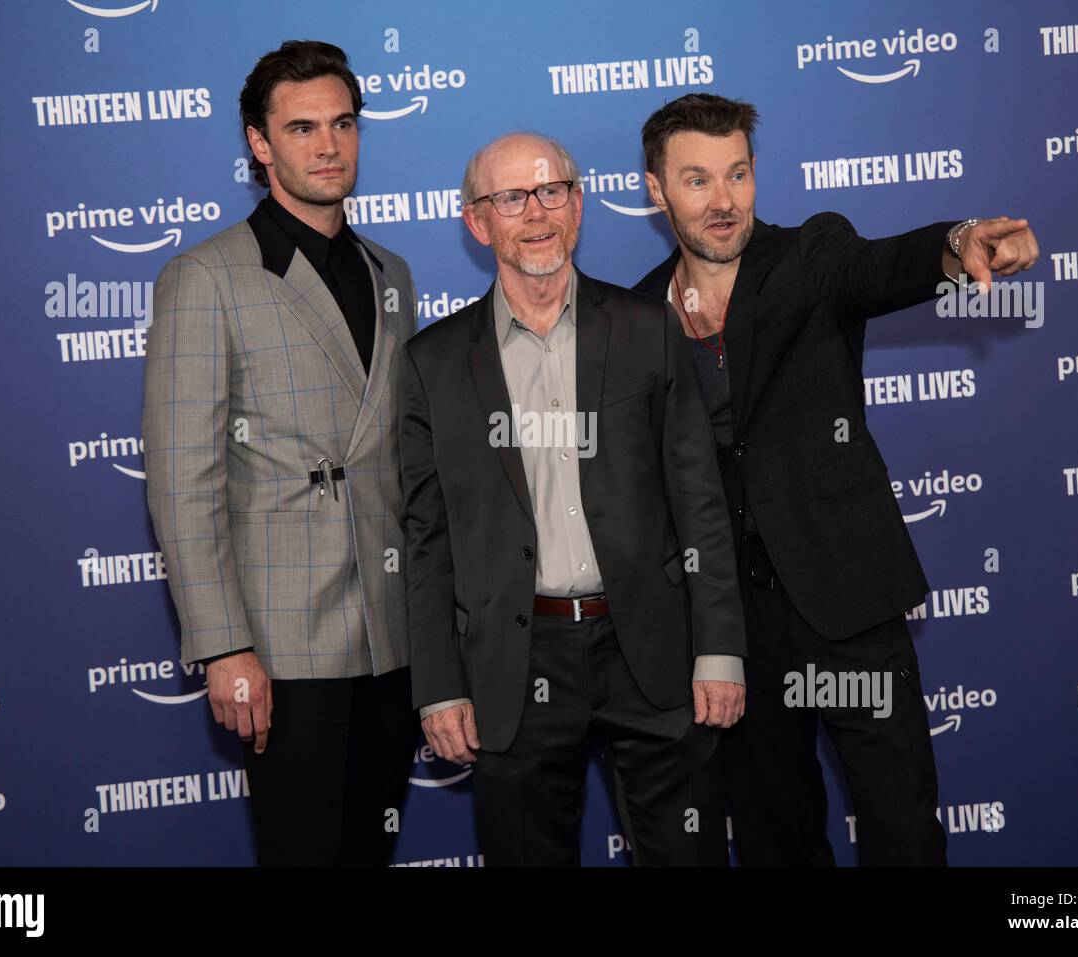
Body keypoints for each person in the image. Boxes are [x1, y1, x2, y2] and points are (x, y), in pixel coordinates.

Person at [632, 93, 1039, 866]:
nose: (724, 201)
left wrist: (958, 243)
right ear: (656, 190)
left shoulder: (810, 257)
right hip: (733, 628)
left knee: (900, 826)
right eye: (696, 181)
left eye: (738, 174)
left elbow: (886, 265)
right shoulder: (639, 314)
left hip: (847, 599)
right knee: (773, 833)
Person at [397, 131, 746, 866]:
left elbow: (700, 501)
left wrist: (718, 646)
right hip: (513, 664)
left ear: (578, 204)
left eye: (552, 190)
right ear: (476, 220)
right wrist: (437, 686)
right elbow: (426, 543)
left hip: (650, 650)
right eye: (512, 197)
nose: (537, 212)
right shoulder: (434, 364)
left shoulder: (649, 330)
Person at [142, 40, 418, 866]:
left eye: (342, 124)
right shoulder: (206, 276)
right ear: (260, 146)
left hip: (391, 631)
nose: (328, 146)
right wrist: (225, 646)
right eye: (301, 128)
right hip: (281, 642)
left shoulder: (390, 271)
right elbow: (183, 481)